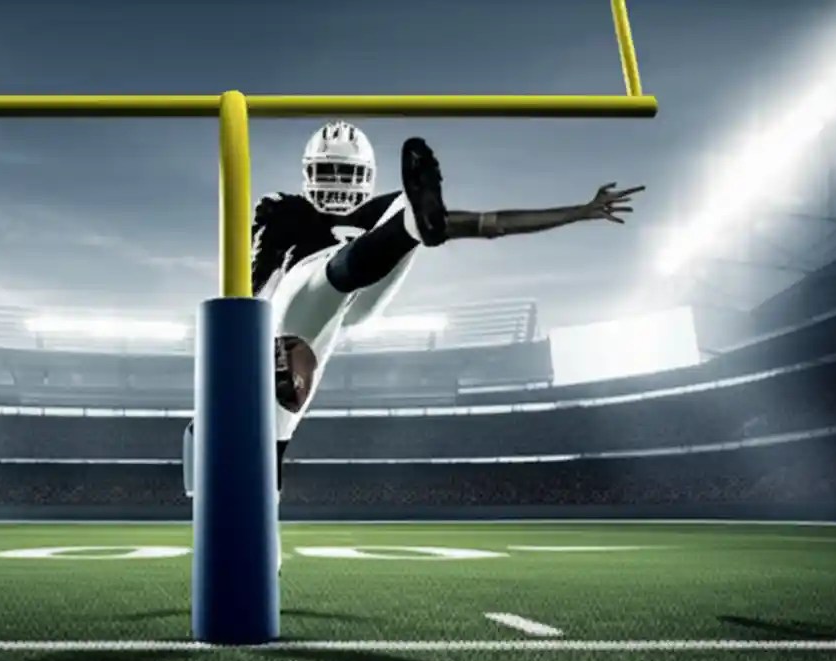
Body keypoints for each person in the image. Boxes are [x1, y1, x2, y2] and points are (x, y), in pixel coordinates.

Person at [185, 121, 644, 572]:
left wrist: (577, 212)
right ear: (309, 172)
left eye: (346, 172)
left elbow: (488, 224)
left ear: (364, 175)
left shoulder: (335, 211)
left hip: (334, 291)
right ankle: (411, 223)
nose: (337, 183)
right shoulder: (287, 212)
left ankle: (410, 222)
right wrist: (577, 212)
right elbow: (485, 225)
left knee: (333, 272)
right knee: (273, 436)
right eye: (329, 171)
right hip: (318, 313)